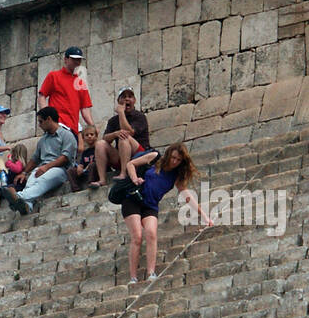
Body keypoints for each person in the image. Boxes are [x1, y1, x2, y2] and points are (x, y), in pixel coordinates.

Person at [119, 143, 212, 283]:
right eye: (173, 157)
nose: (174, 161)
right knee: (137, 236)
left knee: (151, 233)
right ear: (169, 154)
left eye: (178, 160)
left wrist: (204, 216)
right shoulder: (155, 158)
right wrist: (135, 179)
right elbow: (131, 164)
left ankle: (151, 272)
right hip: (133, 199)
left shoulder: (176, 175)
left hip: (150, 205)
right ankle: (133, 277)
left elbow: (186, 195)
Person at [11, 107, 77, 215]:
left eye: (41, 122)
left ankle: (19, 196)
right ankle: (28, 205)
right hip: (42, 168)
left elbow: (65, 158)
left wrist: (46, 167)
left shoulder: (67, 135)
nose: (40, 125)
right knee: (30, 182)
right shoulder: (43, 140)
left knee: (43, 179)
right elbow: (35, 158)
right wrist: (24, 173)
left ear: (49, 119)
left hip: (61, 170)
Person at [95, 87, 151, 187]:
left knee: (124, 136)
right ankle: (102, 179)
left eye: (130, 97)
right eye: (123, 97)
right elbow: (106, 138)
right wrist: (115, 133)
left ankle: (124, 174)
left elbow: (130, 132)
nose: (127, 99)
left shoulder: (140, 116)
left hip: (140, 156)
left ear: (134, 100)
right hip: (122, 156)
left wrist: (121, 113)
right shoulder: (113, 121)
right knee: (100, 144)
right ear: (118, 101)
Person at [38, 48, 96, 140]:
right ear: (65, 59)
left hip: (73, 129)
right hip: (58, 126)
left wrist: (93, 126)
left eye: (79, 60)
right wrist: (47, 118)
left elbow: (85, 109)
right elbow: (42, 96)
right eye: (74, 59)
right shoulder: (54, 76)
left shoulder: (81, 83)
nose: (77, 62)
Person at [69, 125, 101, 191]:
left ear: (96, 136)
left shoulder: (99, 148)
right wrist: (80, 167)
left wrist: (87, 168)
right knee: (70, 170)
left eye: (92, 134)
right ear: (83, 138)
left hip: (96, 171)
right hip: (86, 172)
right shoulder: (85, 152)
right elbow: (82, 164)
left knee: (92, 165)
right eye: (87, 135)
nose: (89, 136)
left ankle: (90, 183)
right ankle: (75, 188)